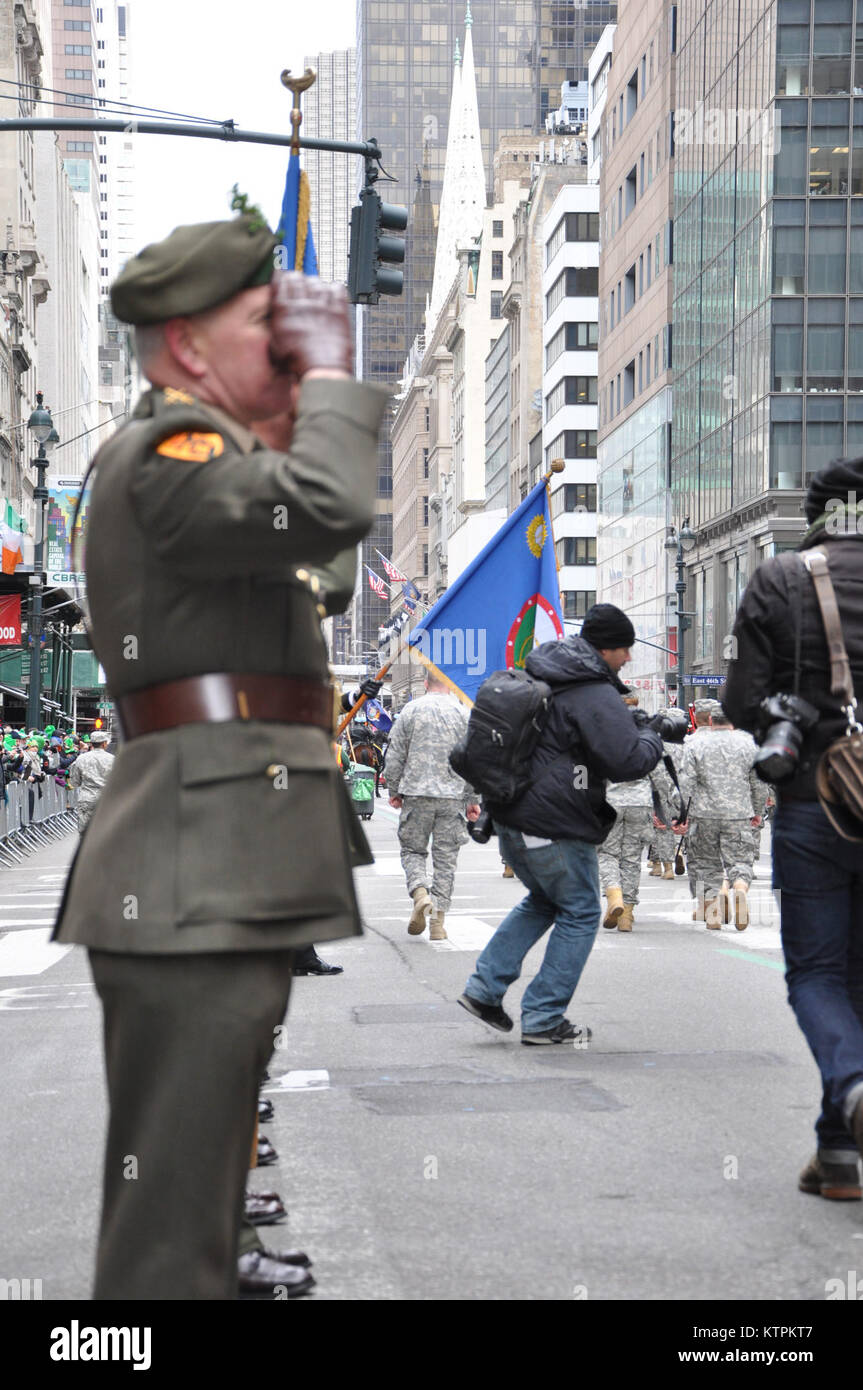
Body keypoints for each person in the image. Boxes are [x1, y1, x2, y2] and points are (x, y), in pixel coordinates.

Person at [51, 210, 388, 1299]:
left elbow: (320, 542)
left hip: (219, 867)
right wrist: (333, 376)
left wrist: (291, 408)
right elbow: (332, 503)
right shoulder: (168, 452)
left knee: (192, 1219)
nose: (292, 349)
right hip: (192, 868)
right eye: (268, 328)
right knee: (168, 1245)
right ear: (192, 346)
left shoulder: (209, 454)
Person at [724, 454, 863, 1198]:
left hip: (816, 796)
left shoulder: (783, 577)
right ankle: (836, 1153)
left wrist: (794, 707)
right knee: (858, 981)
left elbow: (744, 699)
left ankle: (850, 1091)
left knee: (817, 972)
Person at [458, 604, 684, 1044]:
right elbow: (626, 761)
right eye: (625, 649)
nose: (629, 658)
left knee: (546, 901)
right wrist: (653, 733)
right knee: (581, 911)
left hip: (512, 815)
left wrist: (635, 725)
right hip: (553, 822)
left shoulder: (551, 676)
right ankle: (543, 1016)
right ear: (608, 648)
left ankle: (484, 990)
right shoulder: (592, 690)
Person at [385, 673, 481, 940]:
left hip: (416, 794)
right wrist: (473, 799)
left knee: (413, 851)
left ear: (426, 684)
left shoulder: (410, 711)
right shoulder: (463, 714)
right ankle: (438, 923)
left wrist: (394, 790)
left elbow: (395, 755)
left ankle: (420, 893)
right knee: (445, 862)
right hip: (453, 797)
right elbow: (473, 760)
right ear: (451, 686)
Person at [676, 708, 766, 928]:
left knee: (707, 864)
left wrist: (680, 815)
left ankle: (714, 910)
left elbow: (685, 784)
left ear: (709, 720)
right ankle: (741, 887)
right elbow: (759, 783)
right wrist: (756, 810)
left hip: (703, 813)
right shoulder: (748, 744)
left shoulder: (695, 745)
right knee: (740, 859)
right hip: (738, 813)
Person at [67, 729, 114, 834]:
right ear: (104, 743)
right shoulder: (112, 759)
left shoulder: (81, 759)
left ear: (91, 743)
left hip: (87, 798)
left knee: (85, 832)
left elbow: (75, 782)